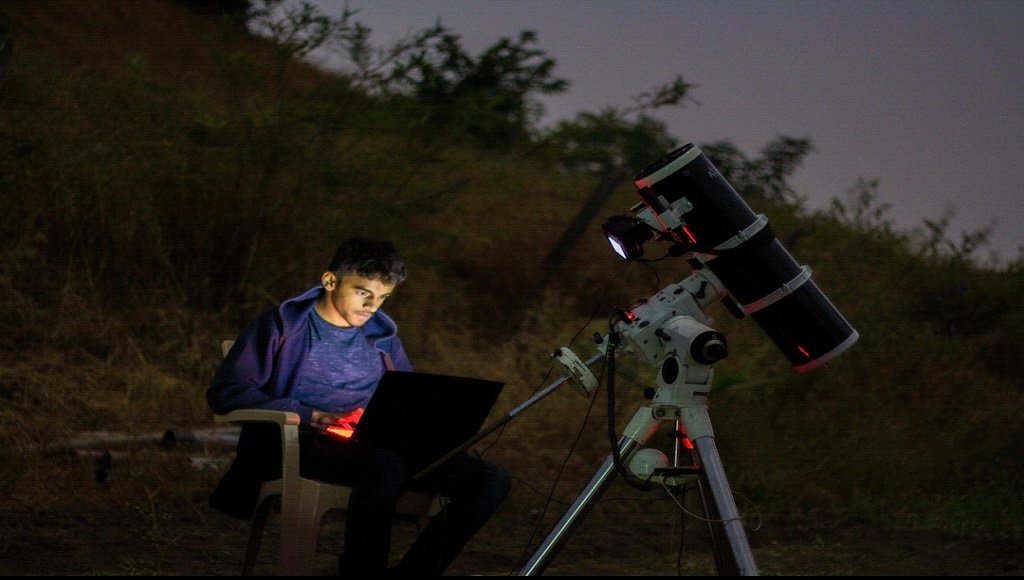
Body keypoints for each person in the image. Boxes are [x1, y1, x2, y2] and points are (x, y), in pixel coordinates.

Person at [207, 237, 511, 576]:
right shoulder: (282, 326)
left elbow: (407, 399)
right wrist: (310, 414)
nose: (373, 307)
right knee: (385, 467)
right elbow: (227, 392)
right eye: (364, 293)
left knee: (490, 477)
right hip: (309, 442)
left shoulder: (383, 339)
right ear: (330, 281)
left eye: (383, 298)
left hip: (381, 443)